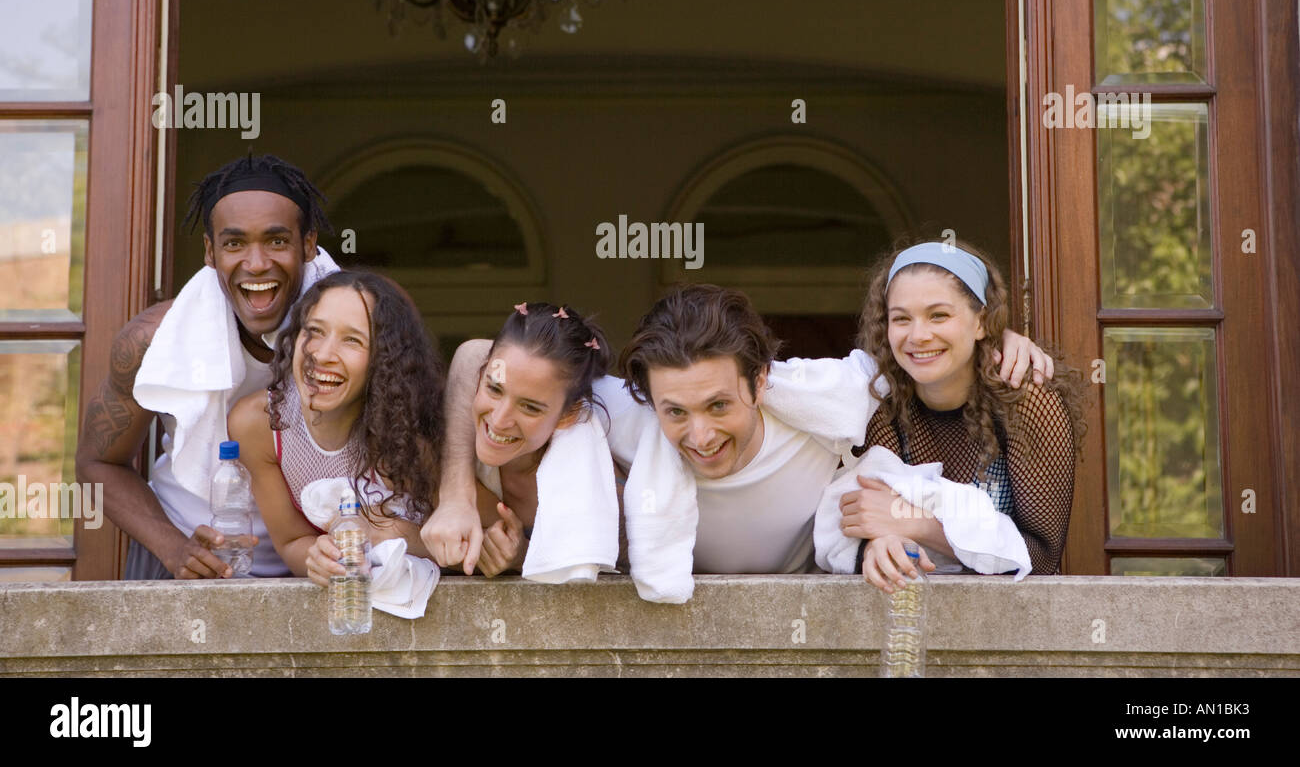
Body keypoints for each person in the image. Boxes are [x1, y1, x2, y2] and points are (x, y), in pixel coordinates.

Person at [424, 282, 1052, 588]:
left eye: (719, 405)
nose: (698, 435)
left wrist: (994, 340)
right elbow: (478, 353)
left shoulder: (821, 404)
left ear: (760, 383)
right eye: (676, 412)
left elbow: (923, 353)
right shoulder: (627, 411)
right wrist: (456, 496)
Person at [76, 154, 338, 579]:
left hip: (320, 567)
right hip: (186, 558)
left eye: (276, 241)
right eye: (234, 243)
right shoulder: (151, 340)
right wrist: (173, 548)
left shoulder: (363, 330)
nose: (256, 264)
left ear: (308, 245)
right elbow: (97, 465)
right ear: (210, 252)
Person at [837, 239, 1085, 592]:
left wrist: (921, 525)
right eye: (901, 319)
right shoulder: (880, 405)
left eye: (939, 315)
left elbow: (1042, 560)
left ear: (981, 322)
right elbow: (868, 519)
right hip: (907, 615)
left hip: (1011, 622)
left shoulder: (1025, 402)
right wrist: (876, 546)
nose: (918, 335)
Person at [226, 270, 443, 584]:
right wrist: (316, 557)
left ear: (384, 360)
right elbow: (291, 541)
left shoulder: (411, 430)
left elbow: (475, 535)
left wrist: (382, 532)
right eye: (314, 331)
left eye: (352, 340)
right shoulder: (257, 424)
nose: (323, 355)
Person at [441, 302, 616, 578]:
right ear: (481, 374)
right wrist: (455, 498)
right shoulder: (437, 451)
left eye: (530, 407)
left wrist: (523, 556)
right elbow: (471, 353)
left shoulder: (597, 489)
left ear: (568, 415)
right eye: (494, 388)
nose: (499, 420)